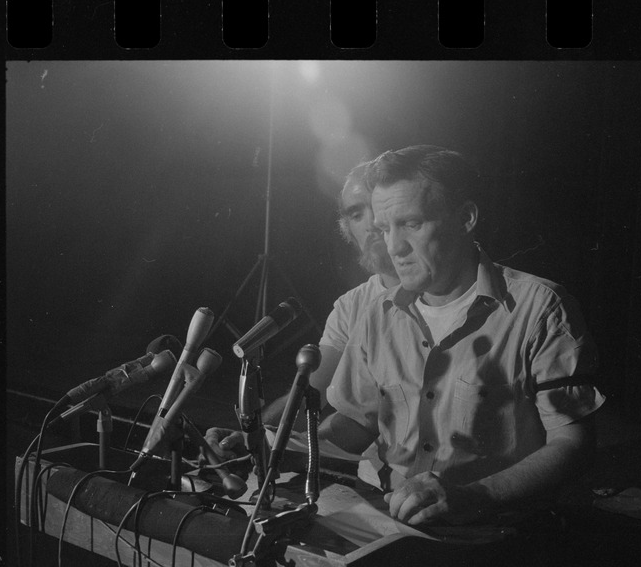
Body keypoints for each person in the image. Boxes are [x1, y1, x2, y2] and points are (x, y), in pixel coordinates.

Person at [321, 145, 605, 528]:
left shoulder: (540, 309)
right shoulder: (378, 314)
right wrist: (275, 448)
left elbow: (573, 444)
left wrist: (474, 497)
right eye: (385, 229)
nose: (394, 247)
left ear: (466, 218)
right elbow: (356, 422)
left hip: (492, 531)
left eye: (411, 224)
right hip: (386, 517)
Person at [205, 161, 399, 478]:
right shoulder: (352, 306)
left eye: (377, 207)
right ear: (346, 229)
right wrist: (260, 438)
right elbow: (312, 390)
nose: (371, 225)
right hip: (378, 489)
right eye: (355, 214)